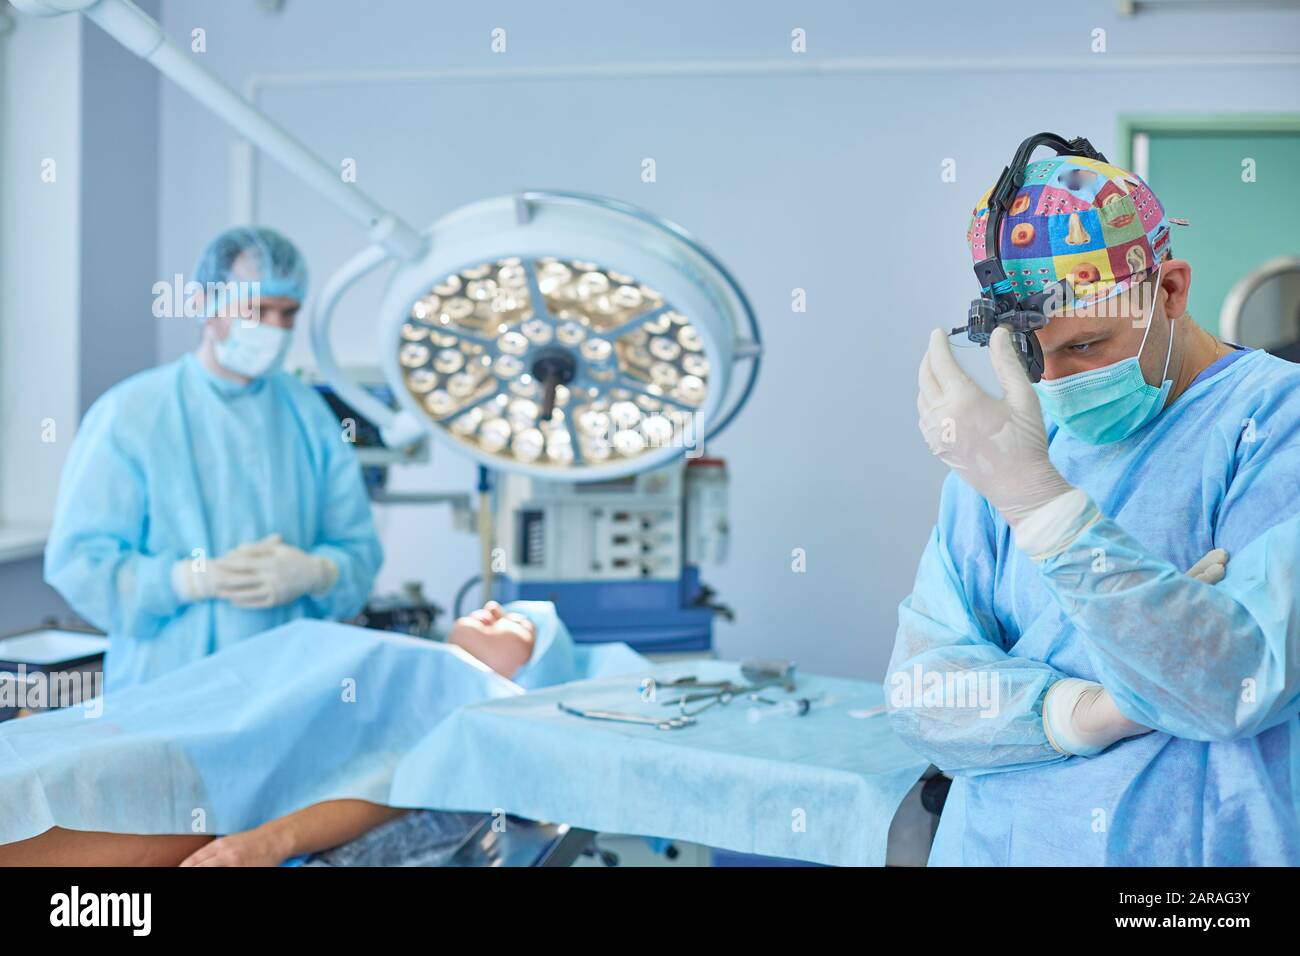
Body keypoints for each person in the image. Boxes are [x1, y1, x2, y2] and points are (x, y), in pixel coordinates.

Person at [889, 148, 1300, 865]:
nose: (1053, 383)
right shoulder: (1010, 443)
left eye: (1086, 344)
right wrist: (1097, 710)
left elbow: (1233, 681)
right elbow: (923, 691)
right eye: (1030, 355)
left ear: (1170, 290)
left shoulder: (1273, 423)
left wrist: (1045, 509)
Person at [45, 227, 383, 691]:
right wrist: (185, 581)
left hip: (287, 687)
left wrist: (319, 572)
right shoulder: (132, 414)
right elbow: (79, 563)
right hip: (166, 689)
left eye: (288, 313)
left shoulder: (307, 414)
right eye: (257, 310)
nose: (276, 329)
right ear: (205, 303)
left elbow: (358, 550)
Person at [0, 604, 537, 867]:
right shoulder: (393, 653)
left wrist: (262, 844)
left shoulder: (474, 690)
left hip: (183, 784)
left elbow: (396, 782)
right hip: (153, 737)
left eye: (520, 622)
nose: (492, 608)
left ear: (535, 669)